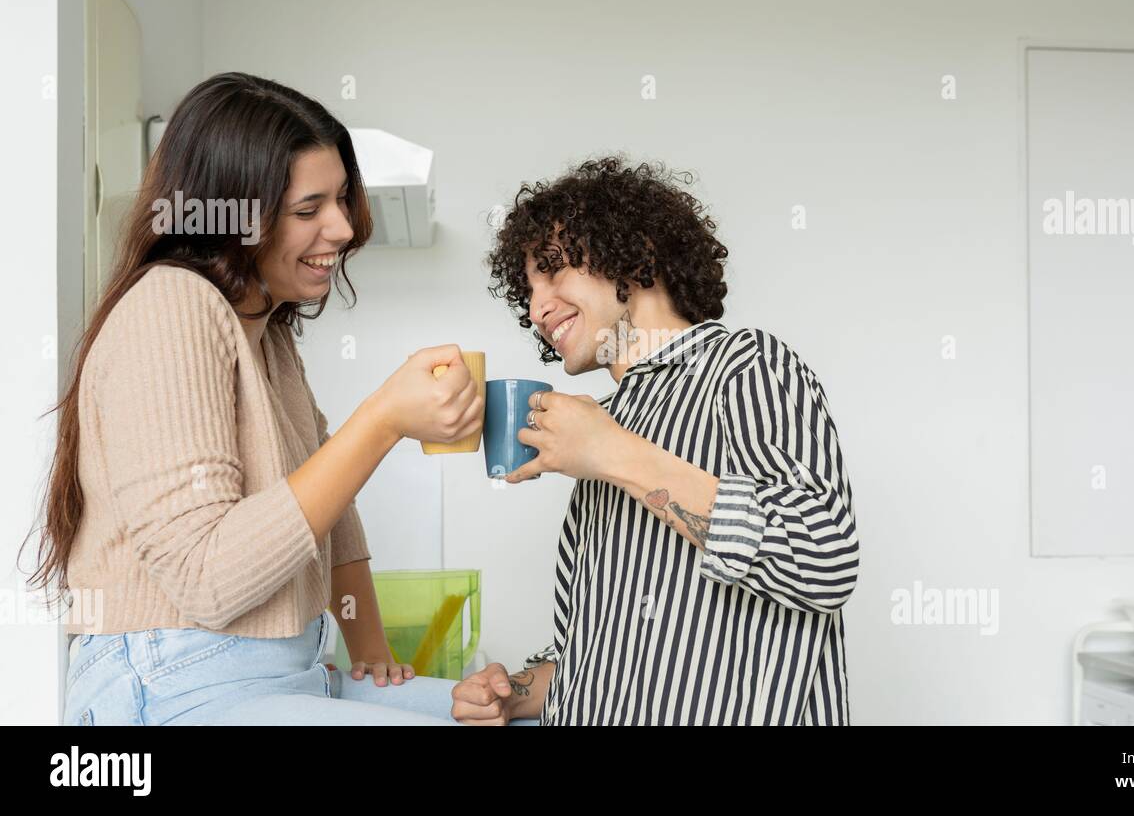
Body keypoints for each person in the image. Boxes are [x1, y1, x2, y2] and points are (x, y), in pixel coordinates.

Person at [30, 73, 483, 725]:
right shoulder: (169, 307)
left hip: (287, 671)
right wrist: (384, 417)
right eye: (309, 210)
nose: (344, 228)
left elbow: (333, 509)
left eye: (342, 200)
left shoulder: (267, 333)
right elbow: (207, 581)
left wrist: (374, 659)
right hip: (175, 685)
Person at [452, 158, 859, 725]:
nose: (535, 307)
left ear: (633, 254)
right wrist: (515, 690)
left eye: (551, 269)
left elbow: (827, 560)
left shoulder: (745, 365)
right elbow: (594, 655)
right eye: (527, 289)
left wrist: (612, 453)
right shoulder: (604, 428)